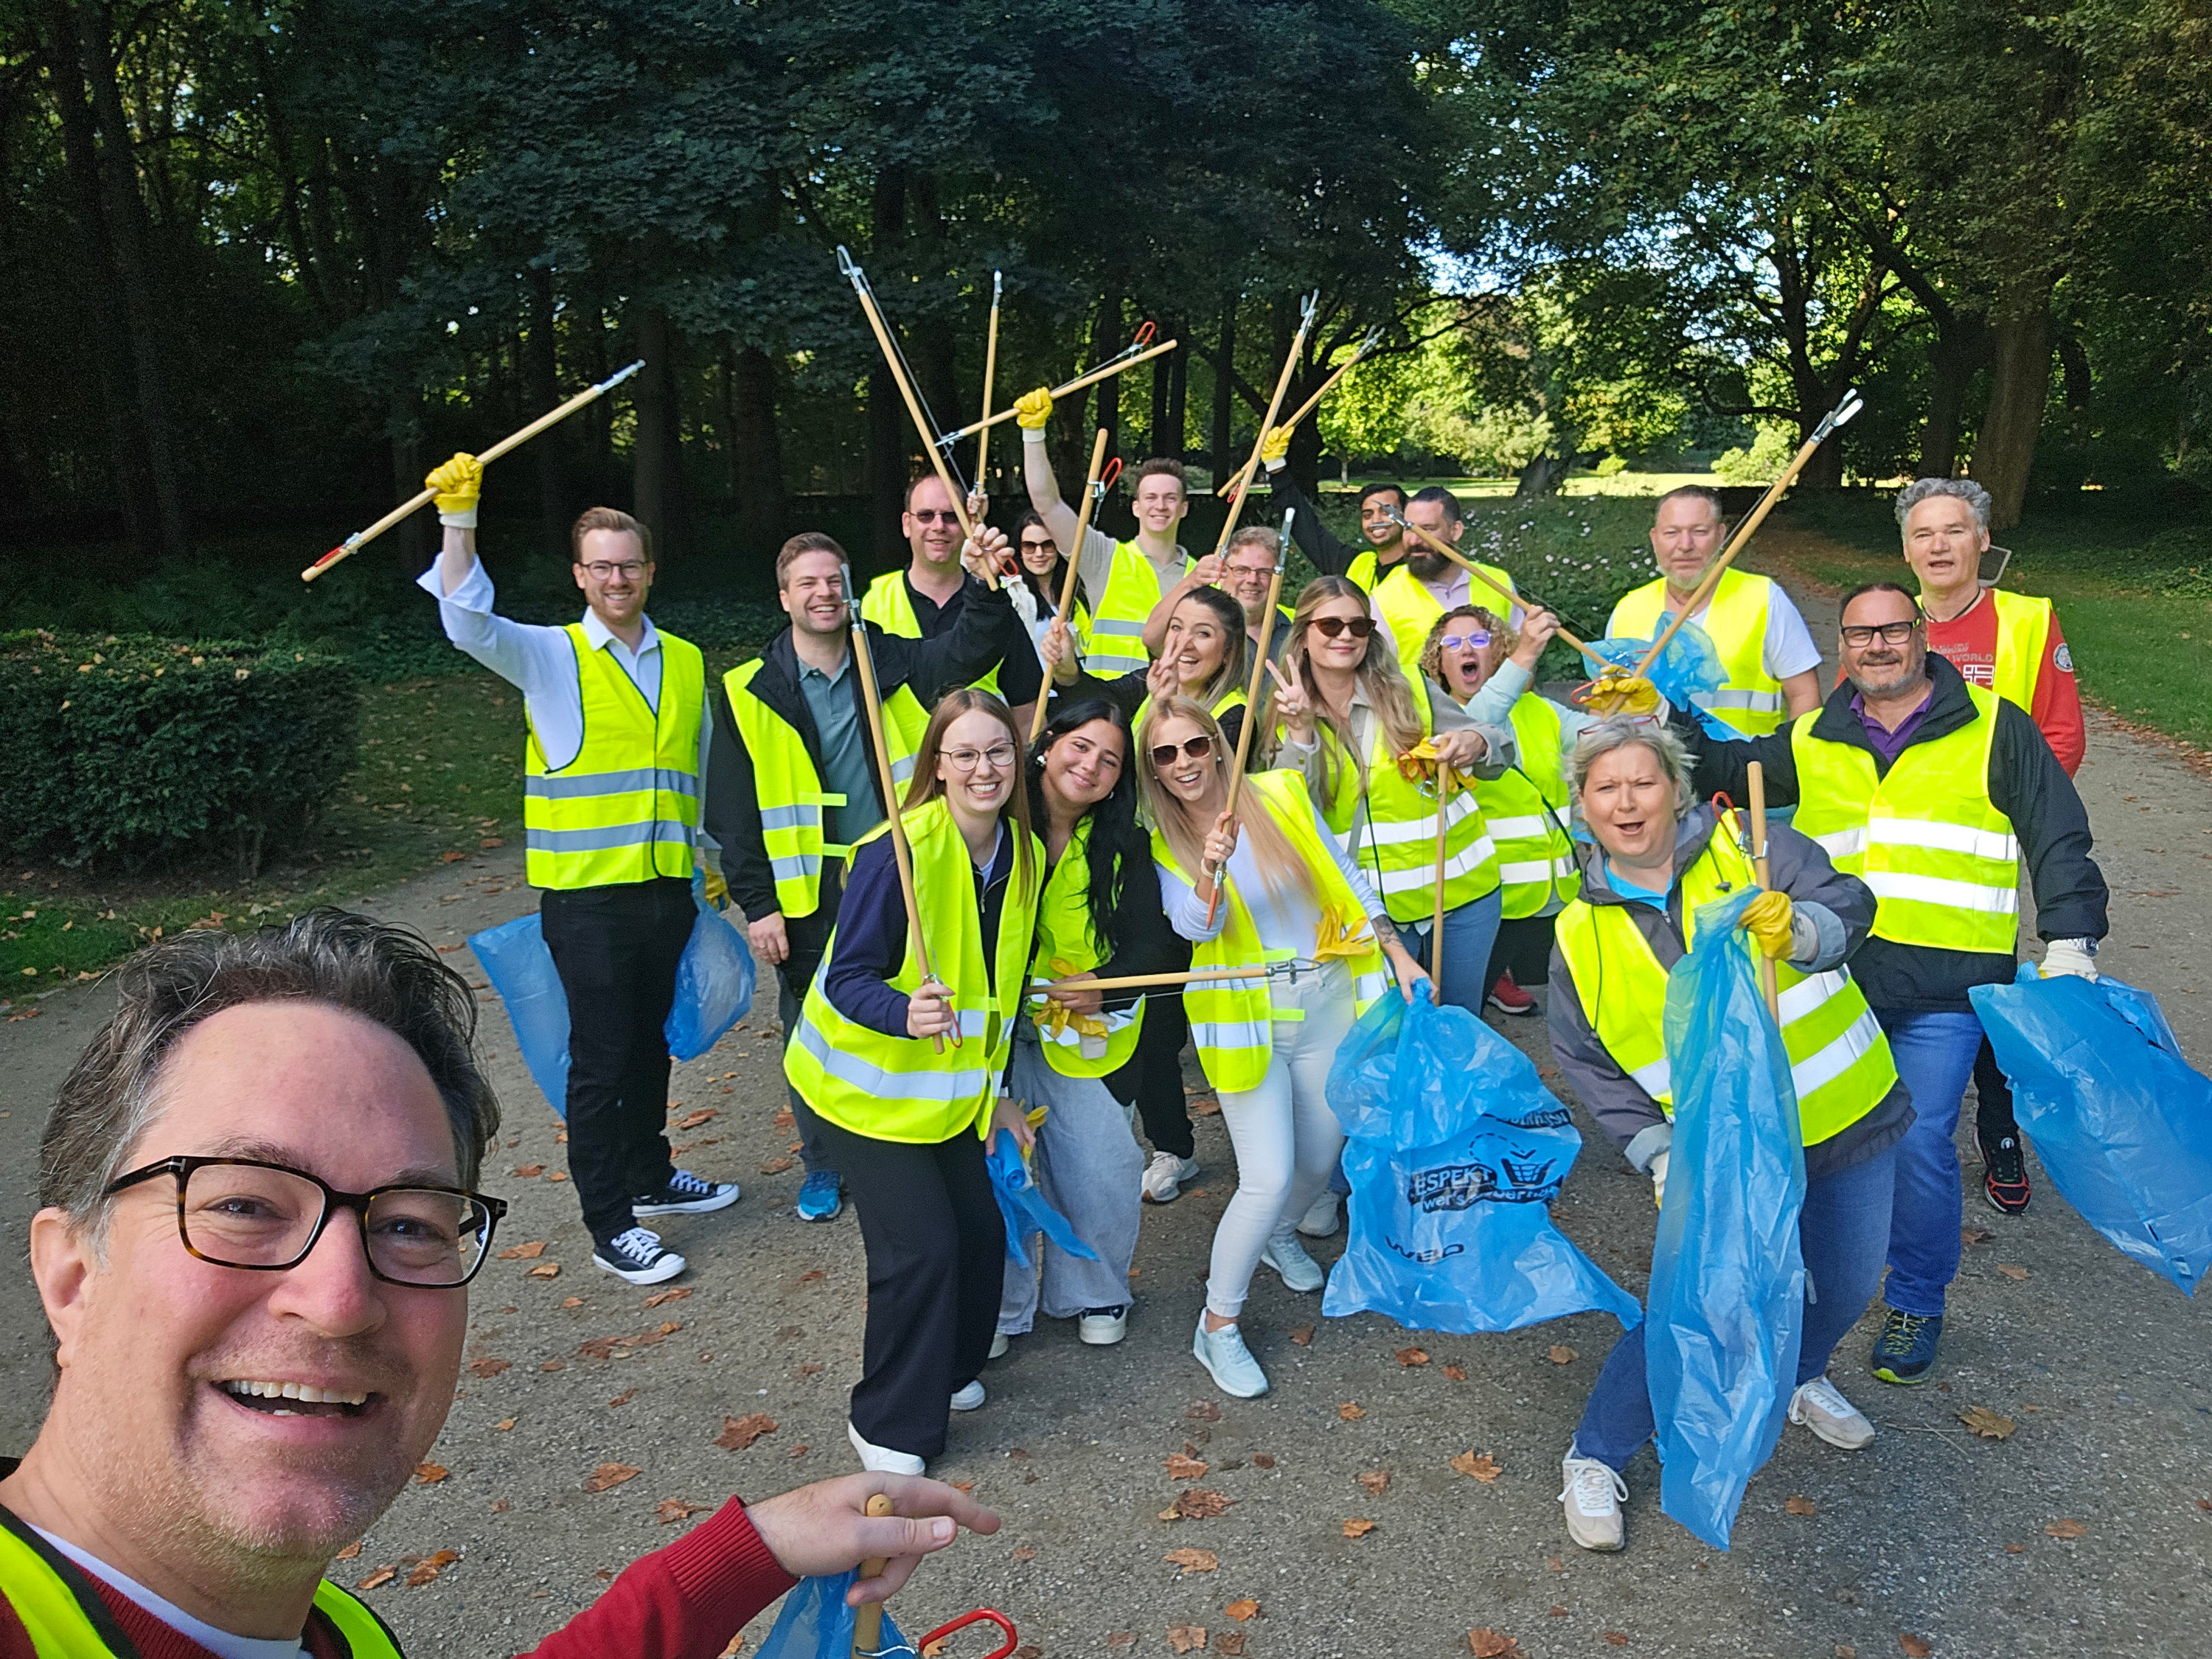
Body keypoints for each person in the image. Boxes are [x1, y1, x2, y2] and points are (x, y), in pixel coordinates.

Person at [0, 910, 999, 1658]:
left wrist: (753, 1553)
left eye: (406, 1223)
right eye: (245, 1205)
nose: (340, 1297)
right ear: (71, 1273)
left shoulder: (334, 1631)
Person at [1686, 582, 2110, 1385]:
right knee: (1805, 1132)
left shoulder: (1993, 728)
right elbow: (1722, 769)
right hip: (1835, 978)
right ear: (1842, 646)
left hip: (1947, 988)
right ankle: (1800, 1279)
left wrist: (2071, 937)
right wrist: (1662, 710)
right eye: (1860, 635)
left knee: (1916, 1140)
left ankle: (1917, 1298)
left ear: (1921, 635)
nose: (1877, 646)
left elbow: (2058, 835)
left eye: (1892, 631)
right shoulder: (1814, 734)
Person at [1545, 724, 1912, 1553]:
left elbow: (1851, 901)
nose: (1628, 801)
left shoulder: (1750, 849)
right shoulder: (1580, 932)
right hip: (1721, 1155)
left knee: (1848, 1284)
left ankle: (1797, 1371)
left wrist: (1808, 929)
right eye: (1607, 789)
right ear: (1585, 807)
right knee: (1699, 1305)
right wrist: (1657, 1147)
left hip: (1840, 1116)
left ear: (1674, 788)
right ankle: (1596, 1452)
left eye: (1643, 782)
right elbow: (1588, 1058)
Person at [417, 459, 733, 1287]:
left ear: (650, 570)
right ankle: (609, 1222)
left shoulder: (690, 661)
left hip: (668, 890)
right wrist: (460, 516)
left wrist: (714, 868)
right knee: (601, 1060)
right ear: (580, 575)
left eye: (630, 563)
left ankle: (650, 1174)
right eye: (602, 565)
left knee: (652, 1047)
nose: (617, 577)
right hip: (589, 903)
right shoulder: (550, 657)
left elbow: (696, 772)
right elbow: (465, 624)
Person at [706, 530, 1020, 1224]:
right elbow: (732, 809)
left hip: (899, 871)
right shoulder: (747, 689)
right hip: (808, 891)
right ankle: (823, 1160)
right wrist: (758, 904)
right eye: (808, 583)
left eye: (835, 581)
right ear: (785, 597)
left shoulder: (886, 655)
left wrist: (981, 584)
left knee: (908, 1001)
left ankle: (907, 1130)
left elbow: (969, 650)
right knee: (814, 1022)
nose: (824, 594)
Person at [784, 692, 1046, 1473]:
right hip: (858, 1093)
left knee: (979, 1233)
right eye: (963, 754)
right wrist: (904, 1011)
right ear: (936, 764)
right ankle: (888, 1421)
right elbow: (843, 980)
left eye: (997, 750)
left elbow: (999, 987)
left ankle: (948, 1371)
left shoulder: (1019, 853)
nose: (983, 768)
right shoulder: (896, 852)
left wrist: (995, 1092)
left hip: (946, 1096)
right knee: (920, 1248)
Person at [1141, 698, 1430, 1399]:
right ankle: (1218, 1325)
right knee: (1266, 1177)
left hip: (1328, 1000)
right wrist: (1210, 866)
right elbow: (1195, 928)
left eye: (1194, 746)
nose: (1183, 763)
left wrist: (1398, 954)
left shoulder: (1279, 793)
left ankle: (1275, 1237)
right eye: (1165, 754)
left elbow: (1346, 876)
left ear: (1216, 745)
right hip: (1248, 1022)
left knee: (1317, 1160)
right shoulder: (1162, 838)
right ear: (1154, 769)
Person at [1896, 476, 2087, 1215]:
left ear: (1982, 540)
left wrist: (2017, 819)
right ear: (1907, 550)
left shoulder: (2029, 620)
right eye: (1923, 533)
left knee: (1989, 981)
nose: (1939, 545)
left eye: (1953, 530)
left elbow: (2062, 734)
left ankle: (2000, 1125)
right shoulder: (1888, 623)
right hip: (1906, 843)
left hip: (1993, 841)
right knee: (1911, 976)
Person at [1040, 585, 1251, 1205]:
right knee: (1156, 1022)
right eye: (1178, 627)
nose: (1185, 643)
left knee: (1223, 1016)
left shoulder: (1234, 709)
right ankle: (1173, 1146)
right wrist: (1074, 670)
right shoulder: (1144, 683)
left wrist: (1160, 712)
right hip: (1141, 874)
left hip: (1203, 872)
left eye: (1203, 634)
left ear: (1227, 649)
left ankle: (1262, 1147)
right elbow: (1088, 713)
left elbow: (1196, 777)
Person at [995, 700, 1182, 1355]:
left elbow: (1154, 946)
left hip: (1086, 1031)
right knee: (997, 1167)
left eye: (1109, 759)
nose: (1091, 766)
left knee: (1099, 1166)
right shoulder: (990, 822)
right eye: (1080, 746)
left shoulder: (1124, 843)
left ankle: (1095, 1290)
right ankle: (997, 1308)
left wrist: (1102, 984)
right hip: (988, 1027)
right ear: (1047, 744)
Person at [1273, 578, 1512, 1026]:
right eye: (1330, 625)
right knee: (1389, 1040)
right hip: (1369, 909)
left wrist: (1473, 741)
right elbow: (1292, 813)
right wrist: (1301, 731)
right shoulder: (1282, 706)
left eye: (1358, 625)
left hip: (1460, 893)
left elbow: (1498, 750)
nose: (1345, 636)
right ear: (1304, 634)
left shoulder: (1409, 687)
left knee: (1459, 1032)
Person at [1420, 605, 1584, 1018]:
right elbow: (1471, 730)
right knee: (1459, 1016)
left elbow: (1601, 740)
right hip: (1482, 902)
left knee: (1577, 1019)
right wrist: (1526, 654)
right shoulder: (1433, 715)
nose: (1464, 650)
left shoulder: (1540, 710)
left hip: (1554, 896)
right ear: (1438, 662)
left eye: (1478, 640)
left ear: (1497, 652)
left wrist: (1634, 707)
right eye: (1451, 643)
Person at [1605, 484, 1822, 736]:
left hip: (1747, 768)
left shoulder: (1763, 598)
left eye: (1699, 531)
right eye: (1672, 532)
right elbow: (1606, 707)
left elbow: (1805, 695)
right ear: (1655, 539)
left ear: (1721, 536)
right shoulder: (1628, 609)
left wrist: (1788, 762)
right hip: (1651, 771)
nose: (1685, 545)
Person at [1017, 386, 1193, 678]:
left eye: (1170, 498)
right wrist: (1033, 434)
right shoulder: (1104, 557)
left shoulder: (1202, 576)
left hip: (1171, 716)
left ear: (1184, 508)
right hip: (1112, 713)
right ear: (1136, 507)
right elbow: (1047, 504)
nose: (1160, 506)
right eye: (1150, 498)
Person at [860, 476, 1043, 728]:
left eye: (950, 516)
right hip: (902, 768)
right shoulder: (872, 604)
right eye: (926, 515)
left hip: (982, 765)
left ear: (968, 524)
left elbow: (1027, 712)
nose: (938, 526)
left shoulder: (995, 606)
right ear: (906, 524)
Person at [1368, 487, 1520, 671]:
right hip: (1419, 700)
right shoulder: (1384, 597)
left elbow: (1521, 660)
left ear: (1455, 531)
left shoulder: (1498, 582)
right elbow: (1377, 676)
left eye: (1427, 529)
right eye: (1408, 529)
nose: (1415, 540)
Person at [1257, 428, 1411, 591]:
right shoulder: (1356, 564)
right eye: (1368, 515)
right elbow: (1306, 528)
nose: (1376, 520)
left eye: (1387, 512)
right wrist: (1276, 468)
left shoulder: (1425, 568)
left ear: (1407, 516)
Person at [1140, 526, 1293, 669]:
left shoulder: (1297, 624)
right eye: (1241, 570)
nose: (1252, 580)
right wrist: (1190, 582)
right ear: (1222, 573)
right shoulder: (1200, 623)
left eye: (1264, 572)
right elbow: (1151, 640)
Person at [1005, 508, 1092, 669]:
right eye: (1029, 546)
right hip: (1033, 693)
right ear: (1020, 550)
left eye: (1048, 545)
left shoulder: (1079, 594)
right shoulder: (1010, 592)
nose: (1039, 553)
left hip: (1075, 688)